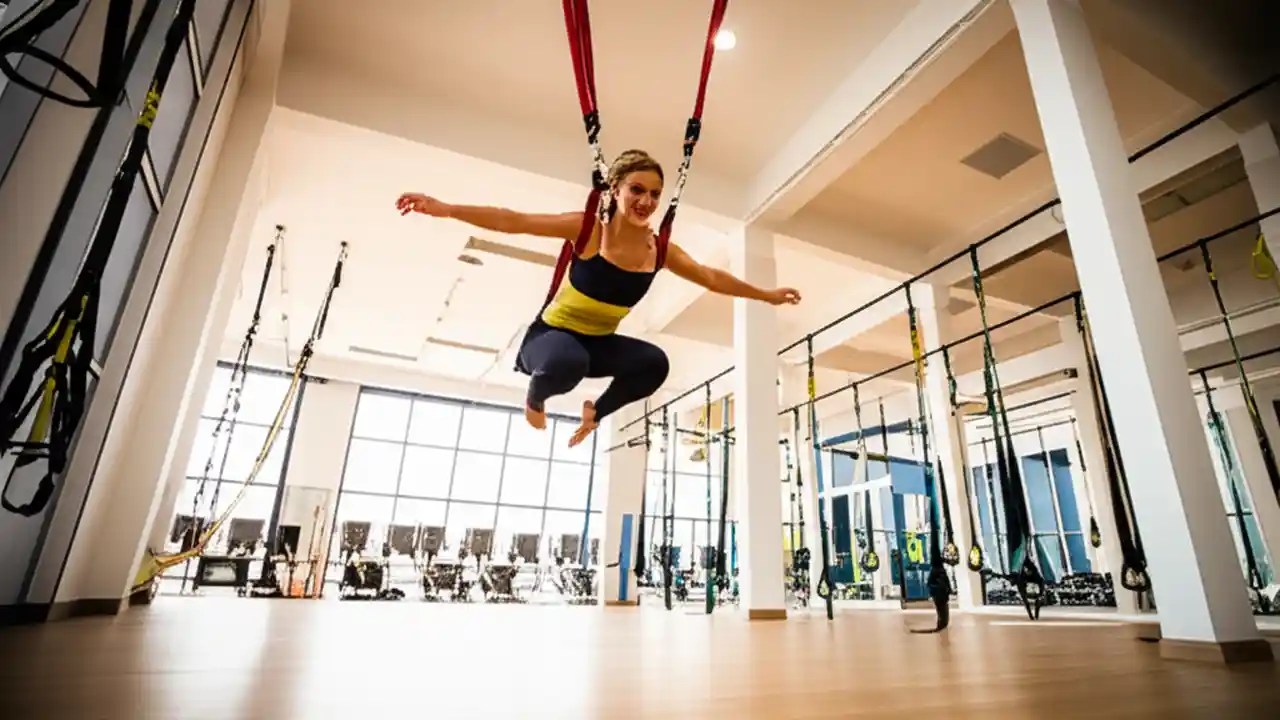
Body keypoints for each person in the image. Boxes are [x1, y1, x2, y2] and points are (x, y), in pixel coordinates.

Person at [396, 149, 801, 447]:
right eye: (636, 190)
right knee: (569, 361)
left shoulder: (659, 251)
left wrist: (766, 295)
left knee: (654, 363)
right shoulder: (589, 231)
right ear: (615, 190)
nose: (646, 201)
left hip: (598, 344)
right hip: (549, 339)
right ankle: (535, 397)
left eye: (655, 194)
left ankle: (596, 413)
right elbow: (513, 219)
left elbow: (711, 277)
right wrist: (447, 208)